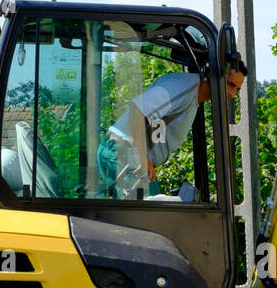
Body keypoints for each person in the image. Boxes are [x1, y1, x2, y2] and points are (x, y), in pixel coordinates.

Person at [97, 59, 246, 199]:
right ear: (210, 74)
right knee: (151, 215)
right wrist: (141, 157)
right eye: (230, 84)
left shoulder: (193, 96)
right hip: (121, 153)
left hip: (126, 156)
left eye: (237, 89)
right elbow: (138, 110)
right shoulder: (181, 87)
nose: (232, 94)